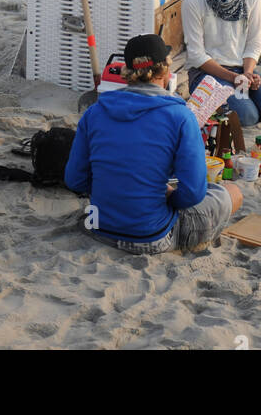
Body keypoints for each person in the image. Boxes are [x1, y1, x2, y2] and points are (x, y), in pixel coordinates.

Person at [64, 34, 242, 254]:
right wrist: (169, 196)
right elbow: (193, 194)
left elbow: (75, 180)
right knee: (232, 192)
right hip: (153, 236)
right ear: (166, 72)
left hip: (99, 226)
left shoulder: (95, 112)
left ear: (127, 72)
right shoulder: (180, 116)